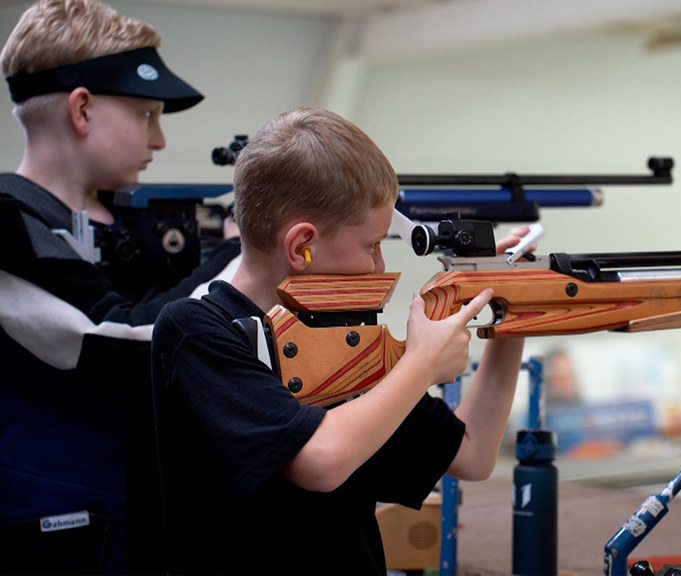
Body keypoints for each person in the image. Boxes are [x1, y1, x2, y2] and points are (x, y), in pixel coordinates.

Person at [151, 107, 528, 574]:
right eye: (372, 244)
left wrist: (512, 311)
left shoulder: (344, 336)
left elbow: (472, 454)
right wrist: (421, 365)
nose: (376, 265)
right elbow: (319, 460)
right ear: (301, 246)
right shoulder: (198, 332)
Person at [0, 1, 240, 573]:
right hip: (60, 528)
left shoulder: (134, 223)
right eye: (146, 114)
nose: (157, 140)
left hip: (149, 510)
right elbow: (121, 335)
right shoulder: (9, 225)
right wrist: (240, 253)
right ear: (82, 109)